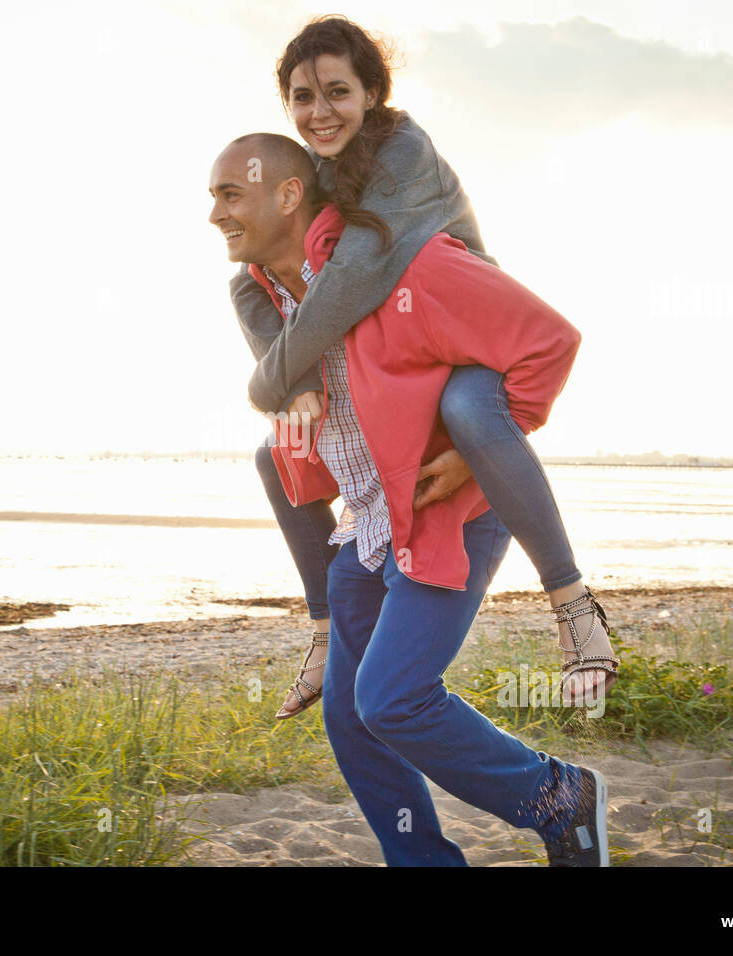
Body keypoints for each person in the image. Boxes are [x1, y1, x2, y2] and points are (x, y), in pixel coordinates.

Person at [208, 133, 610, 865]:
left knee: (392, 699)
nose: (214, 214)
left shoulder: (405, 261)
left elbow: (550, 340)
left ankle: (559, 798)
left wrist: (470, 450)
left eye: (229, 194)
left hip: (448, 516)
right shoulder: (267, 296)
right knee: (350, 718)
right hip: (367, 524)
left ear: (289, 195)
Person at [231, 16, 617, 719]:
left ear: (373, 92)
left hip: (465, 336)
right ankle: (322, 630)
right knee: (273, 454)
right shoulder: (311, 169)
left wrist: (265, 383)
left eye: (338, 92)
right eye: (301, 97)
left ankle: (572, 602)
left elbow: (349, 282)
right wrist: (298, 383)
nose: (319, 112)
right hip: (393, 349)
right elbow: (256, 272)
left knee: (470, 414)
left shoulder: (400, 152)